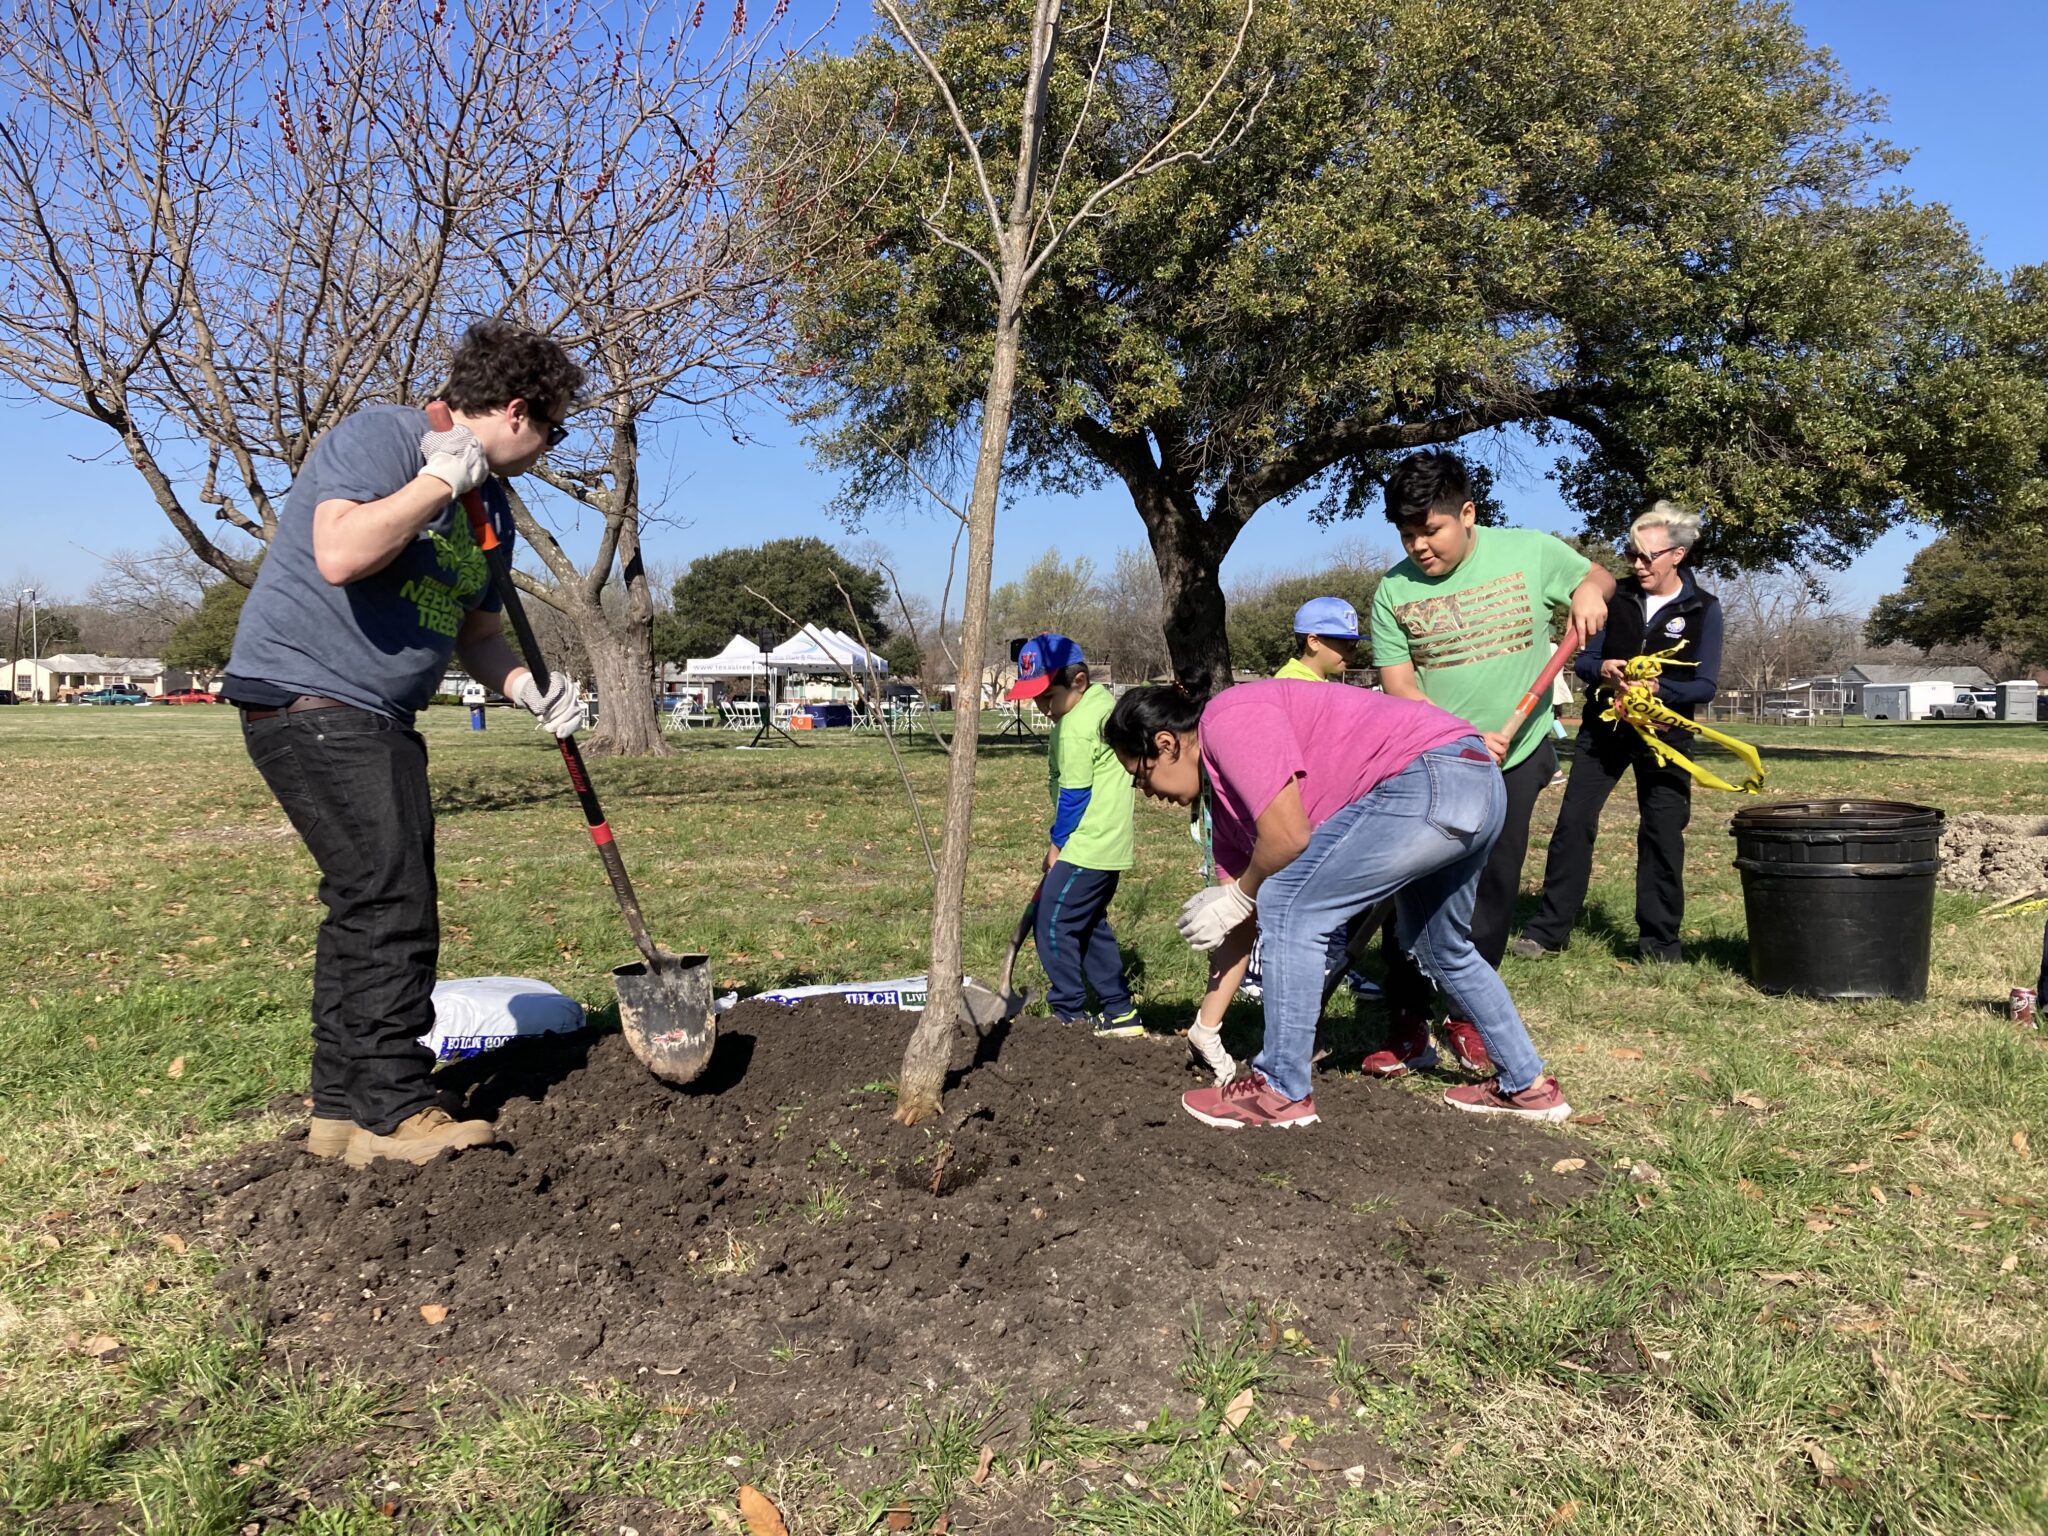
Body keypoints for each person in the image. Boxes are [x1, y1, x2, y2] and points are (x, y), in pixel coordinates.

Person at [223, 320, 587, 1167]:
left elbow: (480, 633)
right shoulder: (385, 438)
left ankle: (344, 1113)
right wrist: (432, 482)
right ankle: (395, 1108)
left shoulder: (488, 501)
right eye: (554, 429)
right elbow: (341, 553)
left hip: (375, 717)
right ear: (515, 409)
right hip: (313, 697)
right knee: (393, 903)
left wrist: (528, 688)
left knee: (364, 904)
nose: (551, 446)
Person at [1105, 681, 1572, 1128]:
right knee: (1440, 947)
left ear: (1166, 744)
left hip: (1432, 775)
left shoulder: (1227, 719)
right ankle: (1527, 1085)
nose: (1145, 793)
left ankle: (1280, 1091)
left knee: (1288, 902)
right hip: (1475, 783)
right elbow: (1242, 921)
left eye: (1139, 775)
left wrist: (1245, 892)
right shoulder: (1227, 812)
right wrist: (1206, 1026)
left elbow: (1287, 840)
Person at [1367, 450, 1614, 1078]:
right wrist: (1464, 734)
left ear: (1467, 514)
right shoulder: (1394, 591)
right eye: (1407, 533)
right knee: (1413, 886)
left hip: (1519, 755)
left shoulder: (1529, 551)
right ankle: (1407, 1017)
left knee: (1493, 888)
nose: (1420, 545)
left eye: (1431, 529)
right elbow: (1400, 686)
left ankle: (1467, 1013)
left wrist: (1589, 590)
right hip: (1435, 757)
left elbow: (1599, 579)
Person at [1512, 501, 1722, 964]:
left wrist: (1658, 689)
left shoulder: (1704, 608)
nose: (1637, 564)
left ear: (1677, 556)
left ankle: (1659, 943)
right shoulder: (1615, 598)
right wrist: (1603, 668)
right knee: (1572, 825)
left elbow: (1705, 684)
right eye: (1631, 554)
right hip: (1603, 732)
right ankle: (1548, 931)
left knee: (1662, 833)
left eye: (1648, 556)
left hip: (1665, 738)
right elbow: (1584, 660)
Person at [1006, 633, 1142, 1038]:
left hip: (1086, 843)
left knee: (1052, 925)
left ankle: (1068, 1016)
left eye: (1048, 697)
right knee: (1086, 925)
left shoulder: (1078, 727)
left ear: (1078, 682)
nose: (1041, 708)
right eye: (1035, 698)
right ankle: (1120, 1014)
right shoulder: (1100, 707)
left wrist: (1057, 844)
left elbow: (1075, 795)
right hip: (1109, 844)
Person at [1275, 595, 1361, 681]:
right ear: (1314, 642)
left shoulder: (1318, 679)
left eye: (1356, 643)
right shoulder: (1292, 683)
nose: (1354, 651)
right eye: (1348, 644)